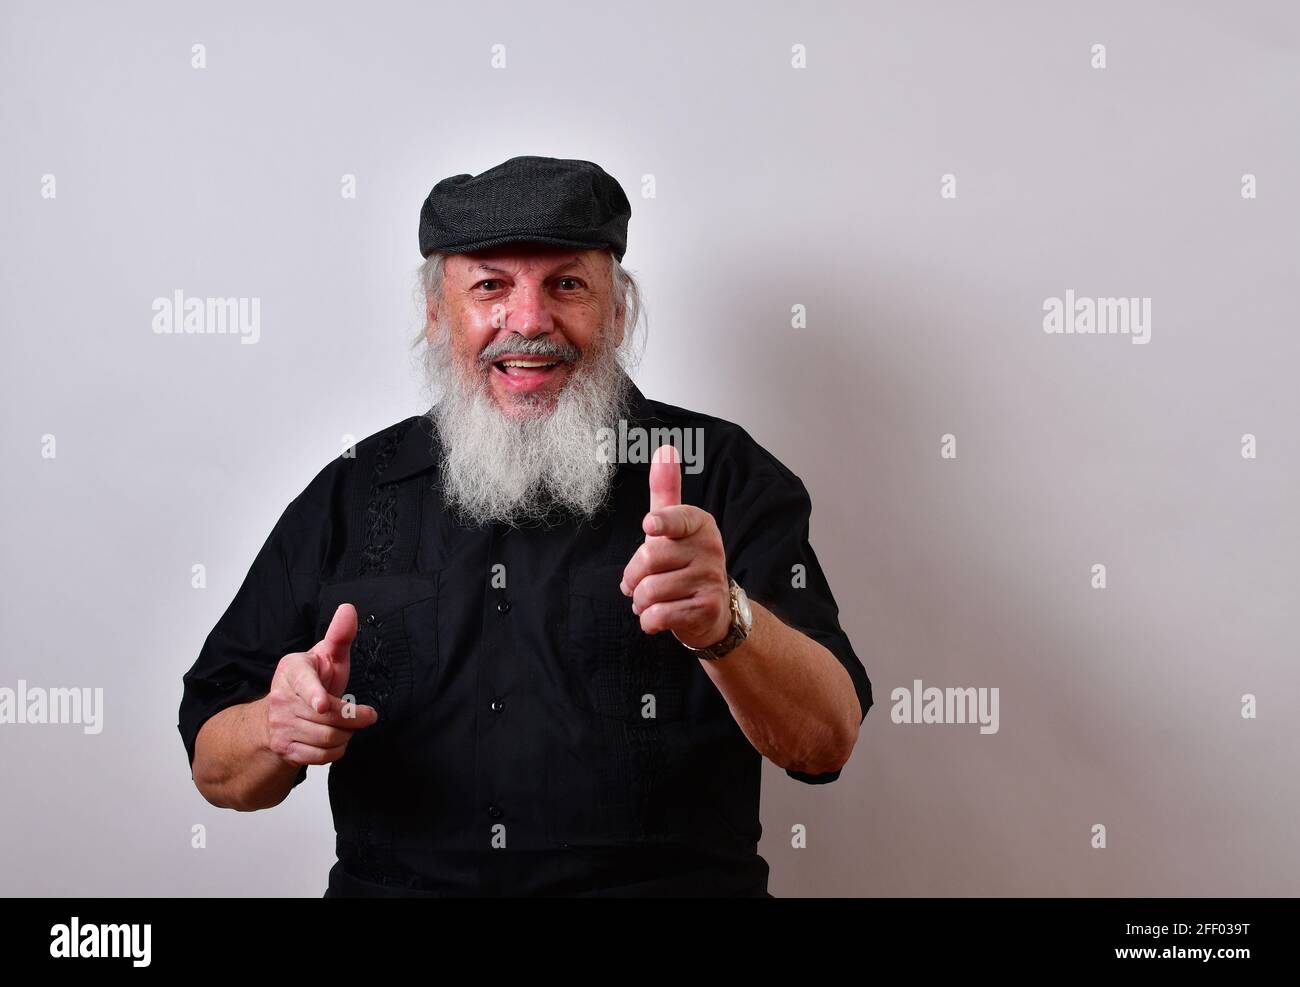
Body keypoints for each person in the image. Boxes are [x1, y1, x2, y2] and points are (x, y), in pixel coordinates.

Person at [177, 155, 873, 897]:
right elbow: (215, 764)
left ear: (617, 311)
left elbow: (826, 740)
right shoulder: (351, 490)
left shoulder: (720, 472)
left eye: (567, 284)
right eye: (490, 286)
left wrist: (724, 620)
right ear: (438, 316)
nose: (531, 321)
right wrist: (274, 729)